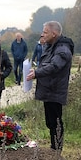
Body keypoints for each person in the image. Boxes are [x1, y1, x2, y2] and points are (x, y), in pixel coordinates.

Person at [27, 21, 74, 151]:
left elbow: (54, 66)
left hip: (55, 90)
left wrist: (37, 73)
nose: (42, 34)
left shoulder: (62, 50)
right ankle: (54, 148)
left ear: (54, 34)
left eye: (45, 32)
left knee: (56, 122)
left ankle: (57, 150)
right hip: (48, 90)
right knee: (50, 121)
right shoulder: (50, 46)